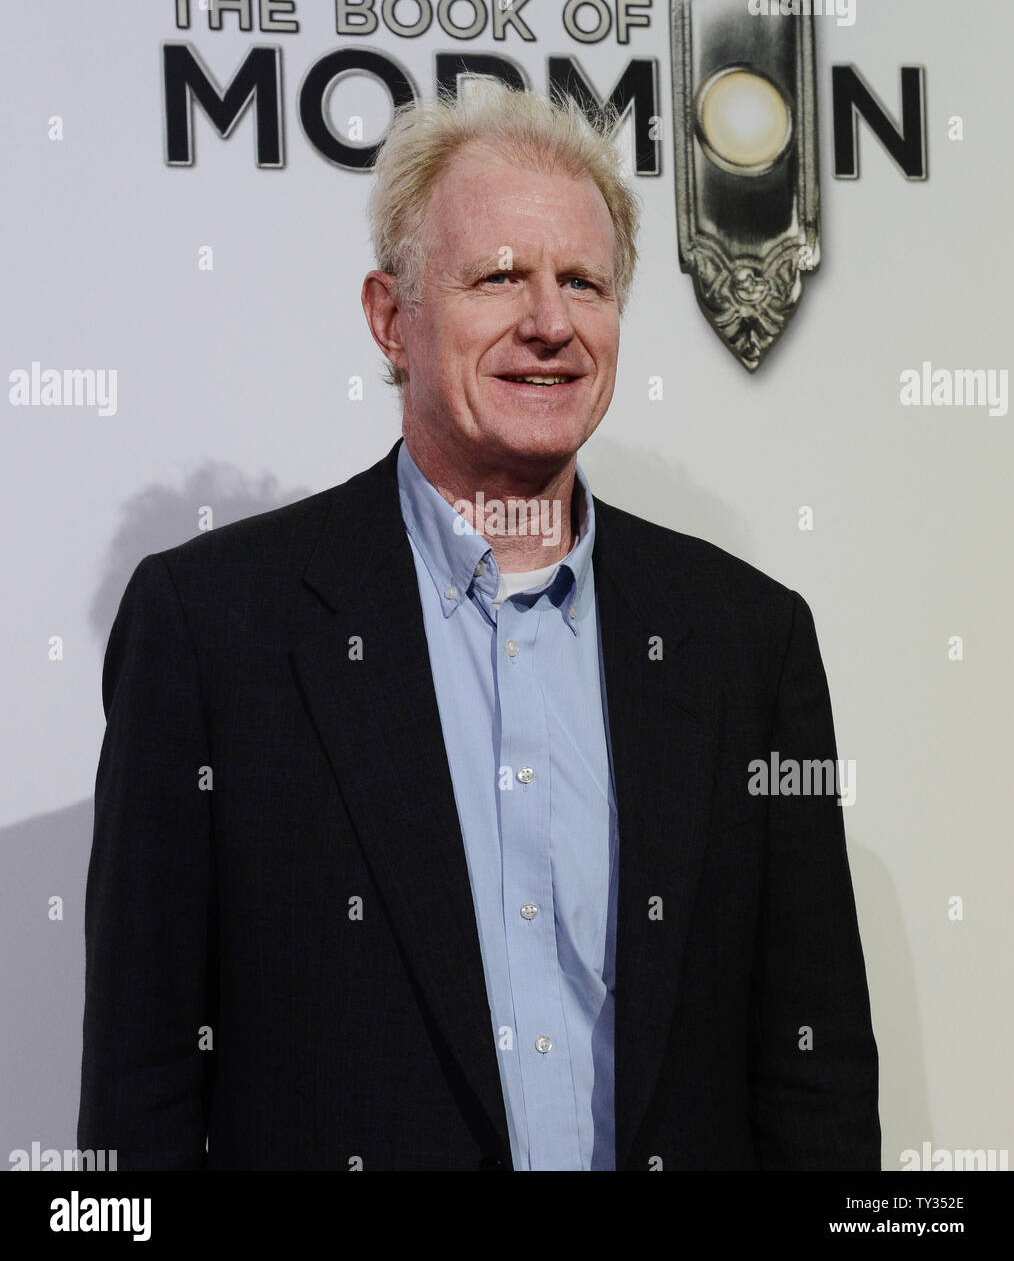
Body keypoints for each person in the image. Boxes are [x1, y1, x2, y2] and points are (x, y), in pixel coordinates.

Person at [78, 79, 880, 1171]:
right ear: (389, 314)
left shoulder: (750, 641)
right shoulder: (212, 631)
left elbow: (815, 1070)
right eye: (499, 276)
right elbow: (143, 1086)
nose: (548, 321)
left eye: (583, 283)